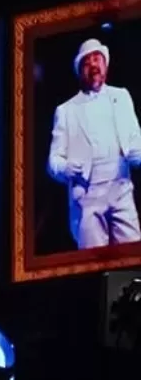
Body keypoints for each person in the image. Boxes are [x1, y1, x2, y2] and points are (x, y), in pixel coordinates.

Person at [47, 38, 141, 249]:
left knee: (133, 258)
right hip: (88, 198)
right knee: (93, 264)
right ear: (80, 71)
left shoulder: (121, 96)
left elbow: (135, 138)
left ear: (105, 64)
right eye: (86, 62)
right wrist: (66, 168)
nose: (93, 65)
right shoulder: (66, 110)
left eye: (97, 59)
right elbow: (53, 162)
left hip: (121, 190)